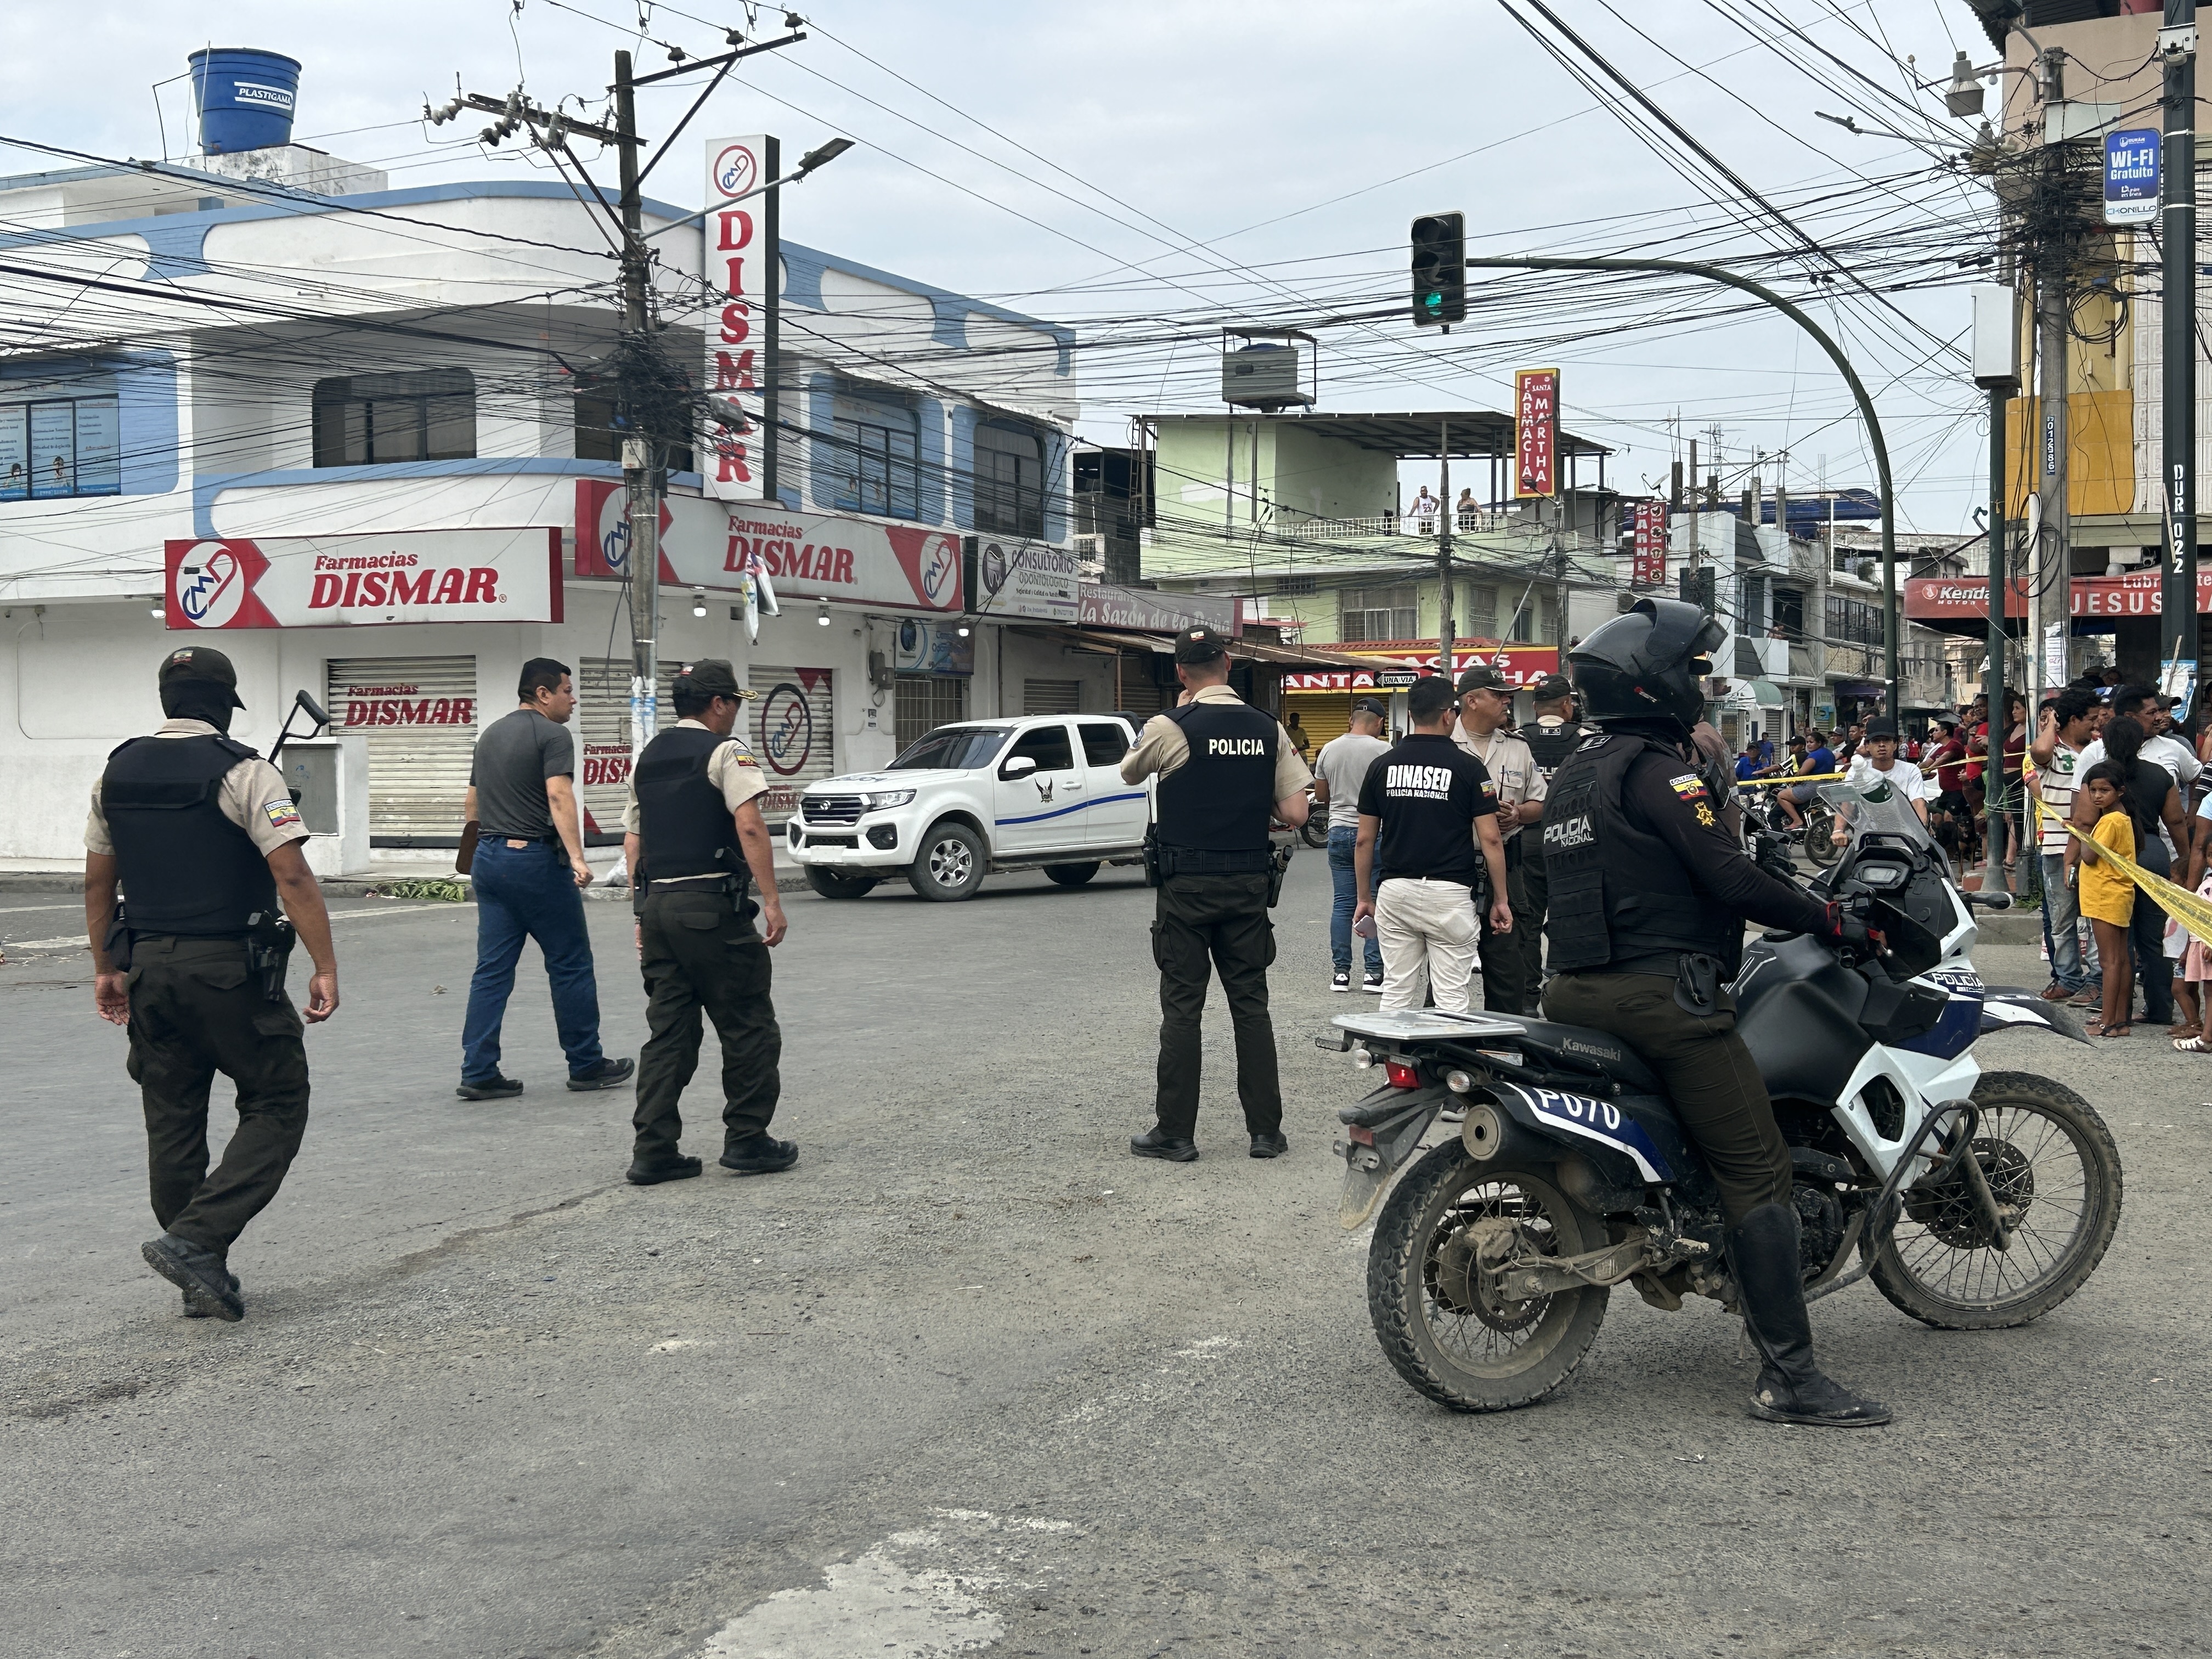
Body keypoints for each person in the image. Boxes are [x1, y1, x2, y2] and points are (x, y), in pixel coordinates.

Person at [1539, 597, 1886, 1429]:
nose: (1699, 685)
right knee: (1759, 1171)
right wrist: (1832, 920)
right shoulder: (1663, 773)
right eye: (1692, 673)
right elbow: (1730, 876)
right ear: (1656, 684)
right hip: (1660, 999)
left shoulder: (1576, 774)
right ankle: (1791, 1379)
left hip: (1573, 987)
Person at [84, 646, 340, 1322]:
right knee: (278, 1099)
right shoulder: (246, 771)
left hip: (148, 971)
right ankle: (196, 1243)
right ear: (225, 705)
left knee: (172, 1118)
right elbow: (292, 875)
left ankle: (197, 1271)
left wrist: (106, 967)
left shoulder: (115, 773)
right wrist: (325, 966)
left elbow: (98, 883)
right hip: (229, 972)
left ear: (167, 702)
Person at [1121, 627, 1312, 1162]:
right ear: (1229, 664)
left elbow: (1130, 771)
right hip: (1248, 885)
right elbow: (1297, 813)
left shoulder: (1170, 725)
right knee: (1251, 1006)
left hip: (1185, 887)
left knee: (1184, 1009)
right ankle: (1266, 1133)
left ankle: (1175, 1134)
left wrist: (1181, 714)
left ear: (1181, 672)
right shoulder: (1268, 727)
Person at [619, 659, 794, 1184]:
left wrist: (640, 912)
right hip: (710, 907)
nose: (736, 712)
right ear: (718, 704)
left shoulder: (647, 759)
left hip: (659, 908)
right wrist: (772, 901)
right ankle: (747, 1139)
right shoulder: (727, 752)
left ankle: (654, 1150)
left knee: (669, 1034)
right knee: (748, 1023)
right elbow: (750, 825)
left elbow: (634, 839)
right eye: (734, 702)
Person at [458, 658, 633, 1101]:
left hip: (490, 859)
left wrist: (477, 855)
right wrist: (578, 858)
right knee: (570, 962)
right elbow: (558, 794)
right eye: (567, 691)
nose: (573, 700)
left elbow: (472, 804)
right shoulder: (553, 735)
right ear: (543, 694)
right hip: (534, 861)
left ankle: (478, 1070)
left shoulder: (490, 734)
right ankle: (586, 1063)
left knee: (492, 970)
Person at [1351, 675, 1511, 1013]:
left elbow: (1364, 839)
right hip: (1450, 893)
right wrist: (1501, 899)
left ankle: (1392, 1048)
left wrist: (1365, 898)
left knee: (1396, 990)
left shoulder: (1381, 766)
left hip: (1396, 890)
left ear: (1411, 714)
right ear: (1448, 715)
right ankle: (1448, 1050)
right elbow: (1491, 838)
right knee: (1451, 996)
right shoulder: (1470, 768)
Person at [2071, 714, 2189, 1032]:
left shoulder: (2099, 776)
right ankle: (2160, 1007)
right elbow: (2175, 821)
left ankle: (2116, 1014)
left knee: (2117, 949)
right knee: (2153, 937)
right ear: (2141, 742)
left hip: (2110, 861)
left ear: (2105, 742)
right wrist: (2185, 858)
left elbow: (2084, 823)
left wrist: (2073, 860)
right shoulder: (2158, 774)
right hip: (2150, 850)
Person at [1452, 664, 1544, 1013]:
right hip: (1454, 866)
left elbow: (1541, 802)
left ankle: (1504, 1040)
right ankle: (1445, 1039)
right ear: (1472, 701)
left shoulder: (1517, 747)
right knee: (1449, 968)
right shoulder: (1444, 743)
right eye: (1498, 695)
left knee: (1508, 966)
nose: (1507, 701)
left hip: (1507, 865)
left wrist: (1518, 814)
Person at [1514, 674, 1583, 1010]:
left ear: (1535, 707)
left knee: (1527, 920)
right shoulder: (1586, 739)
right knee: (1570, 917)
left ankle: (1528, 998)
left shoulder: (1516, 740)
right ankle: (1562, 993)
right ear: (1567, 705)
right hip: (1574, 840)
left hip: (1527, 838)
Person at [1312, 699, 1391, 992]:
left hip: (1338, 832)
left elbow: (1322, 796)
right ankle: (1373, 973)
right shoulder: (1384, 751)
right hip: (1374, 833)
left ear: (1351, 720)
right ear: (1379, 722)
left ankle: (1341, 974)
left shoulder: (1329, 749)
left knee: (1343, 903)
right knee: (1374, 900)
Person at [2028, 689, 2096, 1003]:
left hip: (2093, 848)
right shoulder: (2052, 751)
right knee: (2062, 918)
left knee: (2095, 917)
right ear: (2073, 720)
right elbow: (2040, 750)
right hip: (2057, 848)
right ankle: (2069, 978)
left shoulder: (2097, 751)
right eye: (2090, 718)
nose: (2096, 724)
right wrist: (2053, 720)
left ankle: (2097, 979)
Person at [2069, 764, 2137, 1039]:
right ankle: (2119, 1021)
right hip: (2118, 895)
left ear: (2120, 791)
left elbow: (2089, 856)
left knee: (2109, 962)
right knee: (2121, 960)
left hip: (2105, 896)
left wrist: (2080, 832)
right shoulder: (2121, 818)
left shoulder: (2109, 822)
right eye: (2093, 790)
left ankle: (2107, 1022)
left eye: (2104, 790)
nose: (2097, 796)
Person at [1830, 717, 1929, 844]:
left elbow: (1918, 803)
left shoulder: (1910, 770)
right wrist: (1838, 831)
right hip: (1867, 837)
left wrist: (1920, 833)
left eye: (1887, 740)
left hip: (1905, 837)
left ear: (1895, 745)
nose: (1882, 745)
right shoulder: (1856, 770)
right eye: (1876, 741)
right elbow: (1846, 803)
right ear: (1867, 746)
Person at [1778, 727, 1835, 831]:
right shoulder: (1829, 753)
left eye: (1811, 742)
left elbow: (1802, 772)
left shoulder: (1814, 756)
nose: (1809, 745)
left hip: (1813, 787)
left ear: (1819, 743)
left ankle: (1797, 821)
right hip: (1828, 786)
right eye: (1807, 742)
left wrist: (1794, 779)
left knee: (1781, 795)